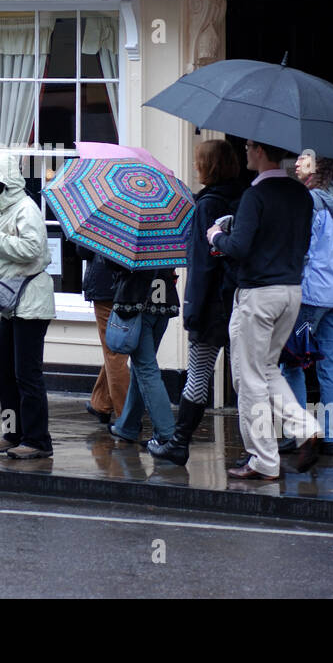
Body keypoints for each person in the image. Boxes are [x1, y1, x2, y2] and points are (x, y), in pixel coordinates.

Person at [208, 139, 322, 480]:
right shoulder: (300, 194)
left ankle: (263, 460)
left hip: (258, 294)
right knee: (268, 369)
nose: (245, 150)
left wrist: (215, 236)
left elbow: (239, 247)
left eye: (248, 146)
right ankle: (305, 427)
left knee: (249, 379)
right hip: (291, 291)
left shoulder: (254, 196)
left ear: (259, 150)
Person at [149, 140, 246, 465]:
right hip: (240, 300)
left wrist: (192, 311)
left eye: (199, 161)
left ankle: (179, 443)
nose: (195, 167)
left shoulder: (206, 205)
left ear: (210, 166)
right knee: (247, 379)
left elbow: (203, 264)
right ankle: (257, 449)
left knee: (198, 375)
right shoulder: (245, 198)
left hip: (211, 306)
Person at [0, 154, 56, 460]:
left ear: (1, 183)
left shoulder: (26, 210)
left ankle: (37, 440)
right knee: (3, 368)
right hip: (14, 303)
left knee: (27, 373)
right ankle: (12, 432)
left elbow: (33, 250)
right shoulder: (7, 211)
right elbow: (2, 255)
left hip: (32, 303)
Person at [282, 156, 333, 456]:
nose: (299, 162)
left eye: (306, 158)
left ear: (319, 168)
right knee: (330, 364)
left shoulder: (310, 201)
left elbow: (301, 246)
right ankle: (329, 437)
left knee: (292, 361)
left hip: (311, 299)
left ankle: (300, 432)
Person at [107, 267, 180, 450]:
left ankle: (167, 433)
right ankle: (127, 426)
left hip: (137, 305)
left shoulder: (132, 239)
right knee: (141, 367)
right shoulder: (166, 238)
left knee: (147, 370)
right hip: (163, 304)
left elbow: (114, 264)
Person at [77, 245, 126, 425]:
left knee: (114, 354)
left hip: (105, 287)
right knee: (115, 351)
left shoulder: (99, 217)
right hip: (131, 288)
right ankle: (101, 403)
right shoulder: (136, 216)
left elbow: (84, 251)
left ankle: (126, 418)